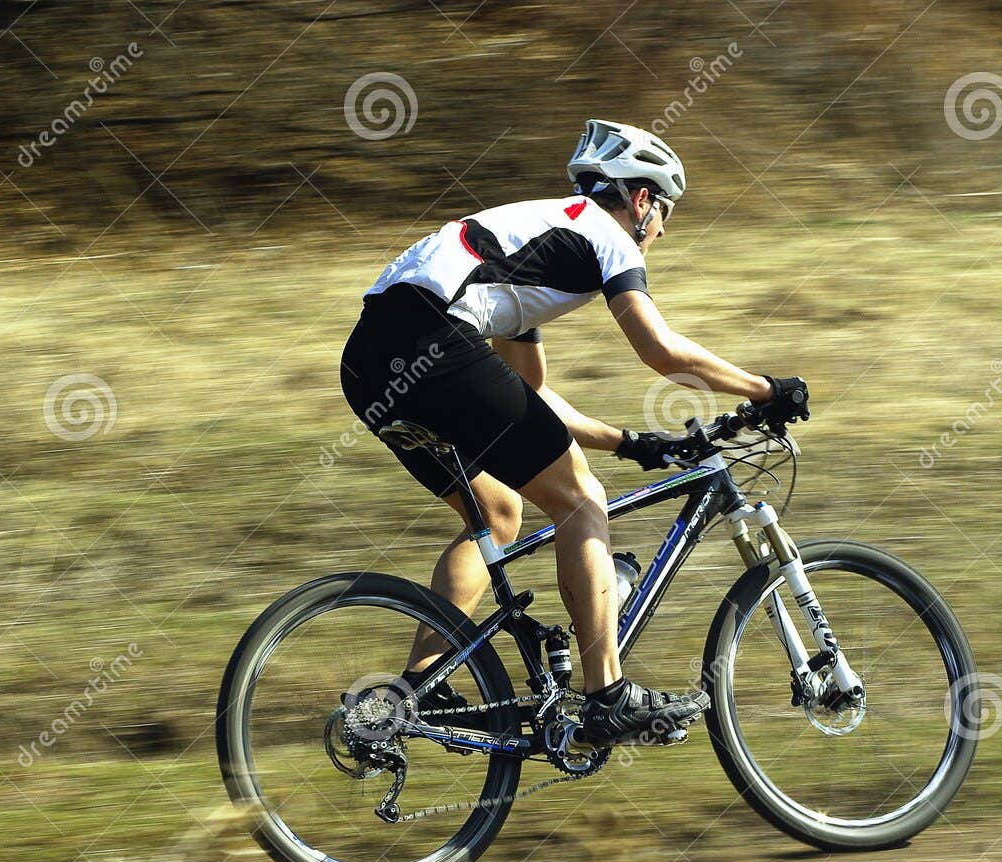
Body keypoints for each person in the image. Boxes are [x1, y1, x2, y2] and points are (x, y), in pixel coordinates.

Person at [340, 118, 809, 746]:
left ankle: (420, 689)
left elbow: (525, 393)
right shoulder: (601, 231)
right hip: (431, 347)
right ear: (642, 200)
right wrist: (766, 389)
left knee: (499, 514)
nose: (662, 231)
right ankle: (606, 695)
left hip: (371, 362)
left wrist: (629, 442)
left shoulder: (529, 251)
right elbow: (662, 352)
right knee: (580, 500)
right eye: (664, 214)